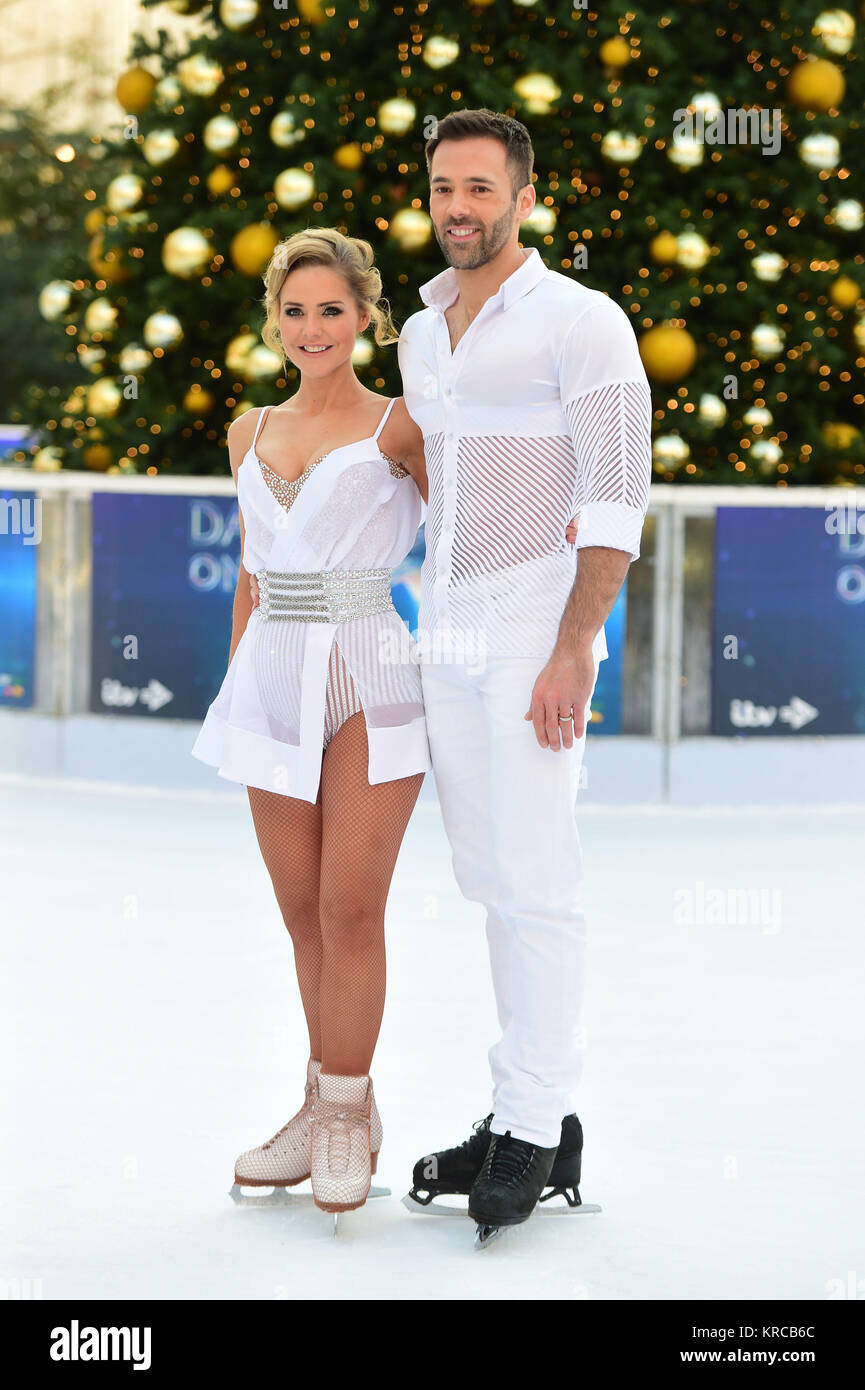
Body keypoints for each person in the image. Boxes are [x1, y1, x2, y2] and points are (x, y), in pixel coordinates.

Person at [396, 109, 654, 1234]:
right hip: (443, 627)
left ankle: (536, 1122)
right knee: (486, 874)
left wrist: (571, 648)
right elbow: (421, 462)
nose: (461, 207)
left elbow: (615, 493)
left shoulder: (580, 321)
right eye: (445, 187)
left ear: (525, 199)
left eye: (481, 189)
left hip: (531, 627)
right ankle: (521, 1110)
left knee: (539, 880)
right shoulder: (419, 329)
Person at [191, 228, 433, 1215]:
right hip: (271, 672)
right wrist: (234, 682)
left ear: (367, 315)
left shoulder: (405, 425)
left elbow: (469, 533)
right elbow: (252, 574)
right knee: (300, 915)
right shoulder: (247, 431)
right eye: (295, 310)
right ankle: (329, 1098)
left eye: (332, 308)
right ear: (274, 320)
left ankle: (343, 1113)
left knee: (349, 910)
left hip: (370, 664)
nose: (312, 326)